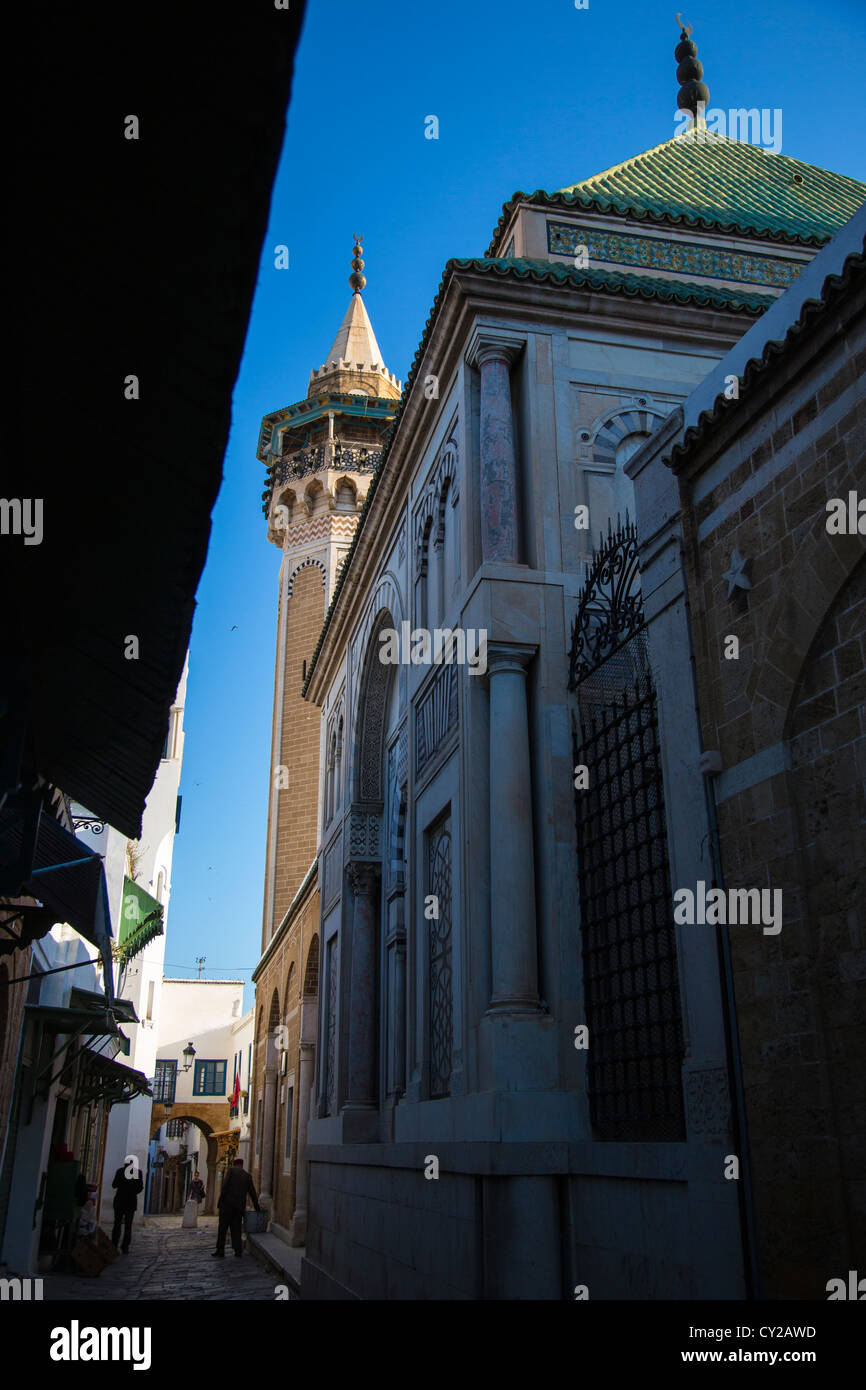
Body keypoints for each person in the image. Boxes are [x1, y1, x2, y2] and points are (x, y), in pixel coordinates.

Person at [212, 1157, 259, 1258]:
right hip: (239, 1207)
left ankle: (220, 1250)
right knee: (236, 1228)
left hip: (227, 1205)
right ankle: (238, 1250)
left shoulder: (231, 1171)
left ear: (235, 1164)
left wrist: (220, 1202)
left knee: (223, 1228)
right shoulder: (247, 1176)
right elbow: (252, 1193)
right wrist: (257, 1207)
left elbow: (225, 1187)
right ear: (242, 1165)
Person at [111, 1161, 144, 1253]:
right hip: (131, 1201)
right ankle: (125, 1247)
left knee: (117, 1223)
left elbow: (114, 1185)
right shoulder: (138, 1172)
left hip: (119, 1200)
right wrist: (132, 1192)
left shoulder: (120, 1171)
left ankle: (114, 1244)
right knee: (128, 1225)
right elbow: (140, 1187)